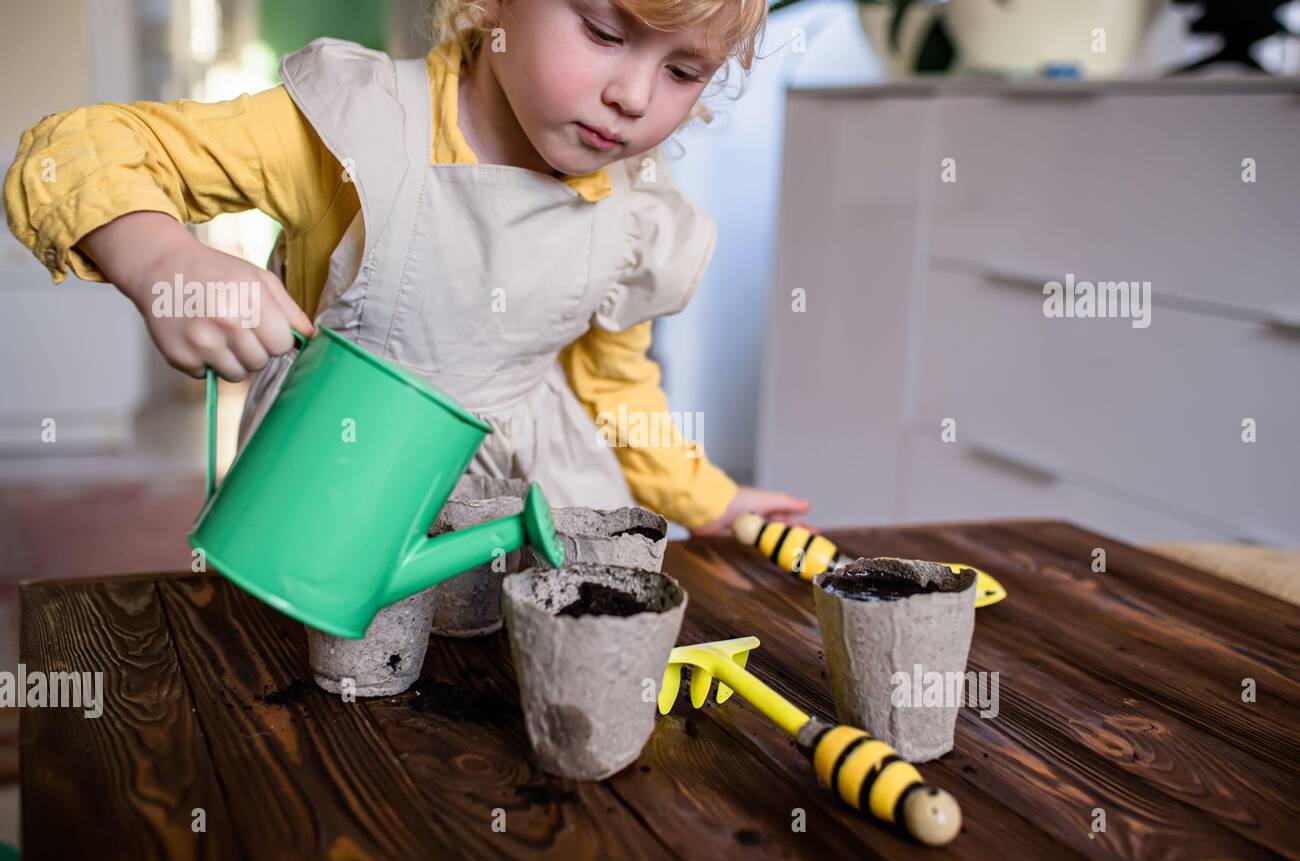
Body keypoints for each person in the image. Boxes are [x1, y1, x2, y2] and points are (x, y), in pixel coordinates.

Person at [4, 0, 811, 536]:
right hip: (331, 508)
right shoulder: (351, 129)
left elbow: (615, 386)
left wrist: (712, 499)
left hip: (532, 515)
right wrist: (163, 257)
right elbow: (74, 149)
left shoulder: (635, 213)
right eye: (604, 32)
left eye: (683, 72)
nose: (635, 96)